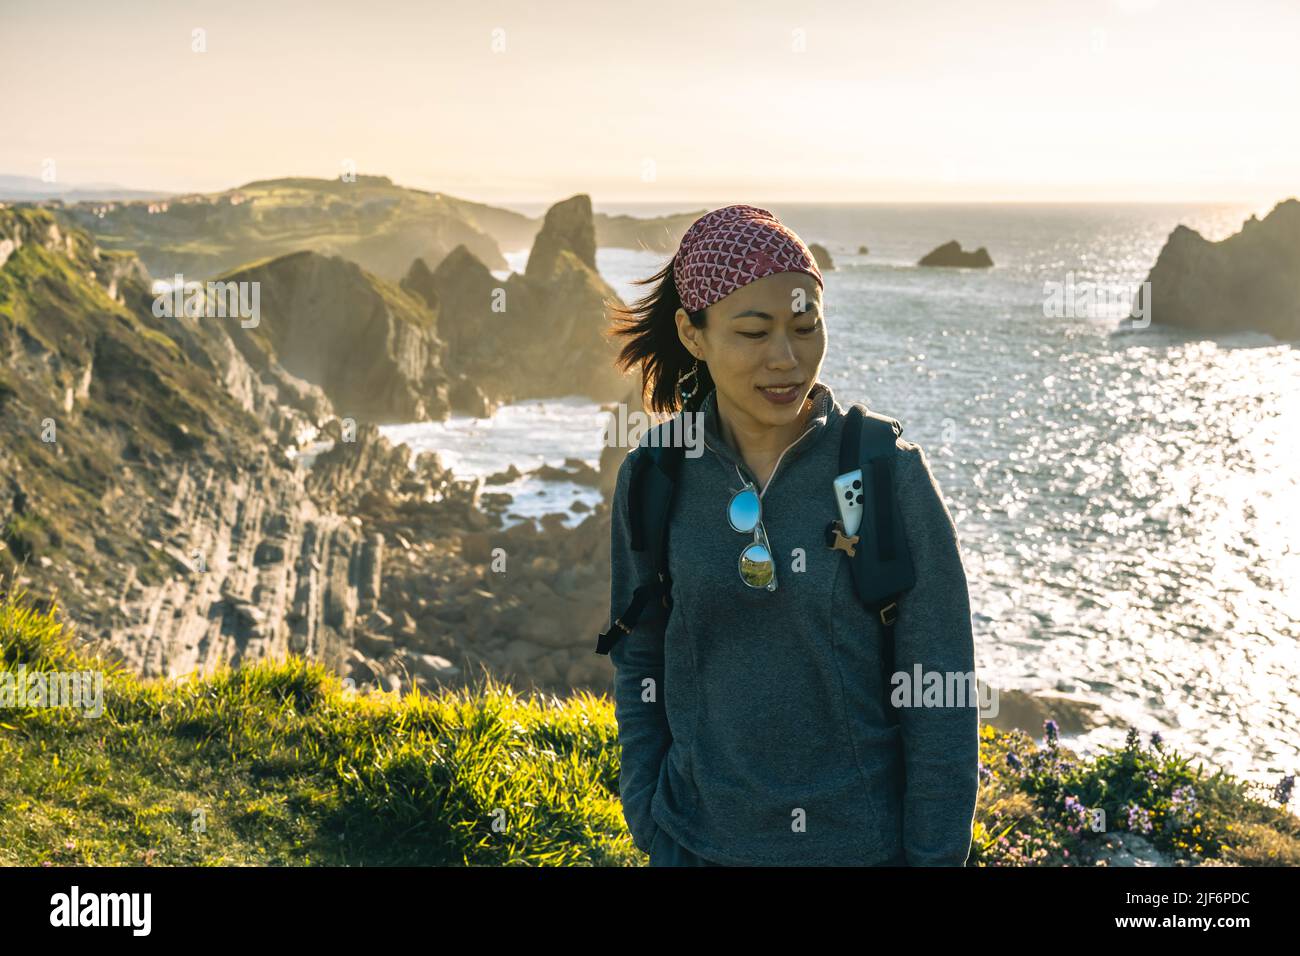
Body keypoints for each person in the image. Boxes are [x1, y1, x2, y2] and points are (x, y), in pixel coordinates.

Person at [604, 204, 979, 866]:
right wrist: (649, 818)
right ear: (694, 336)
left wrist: (935, 859)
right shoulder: (655, 475)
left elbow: (939, 687)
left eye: (806, 328)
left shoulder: (877, 473)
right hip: (692, 846)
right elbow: (641, 659)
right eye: (753, 332)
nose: (786, 359)